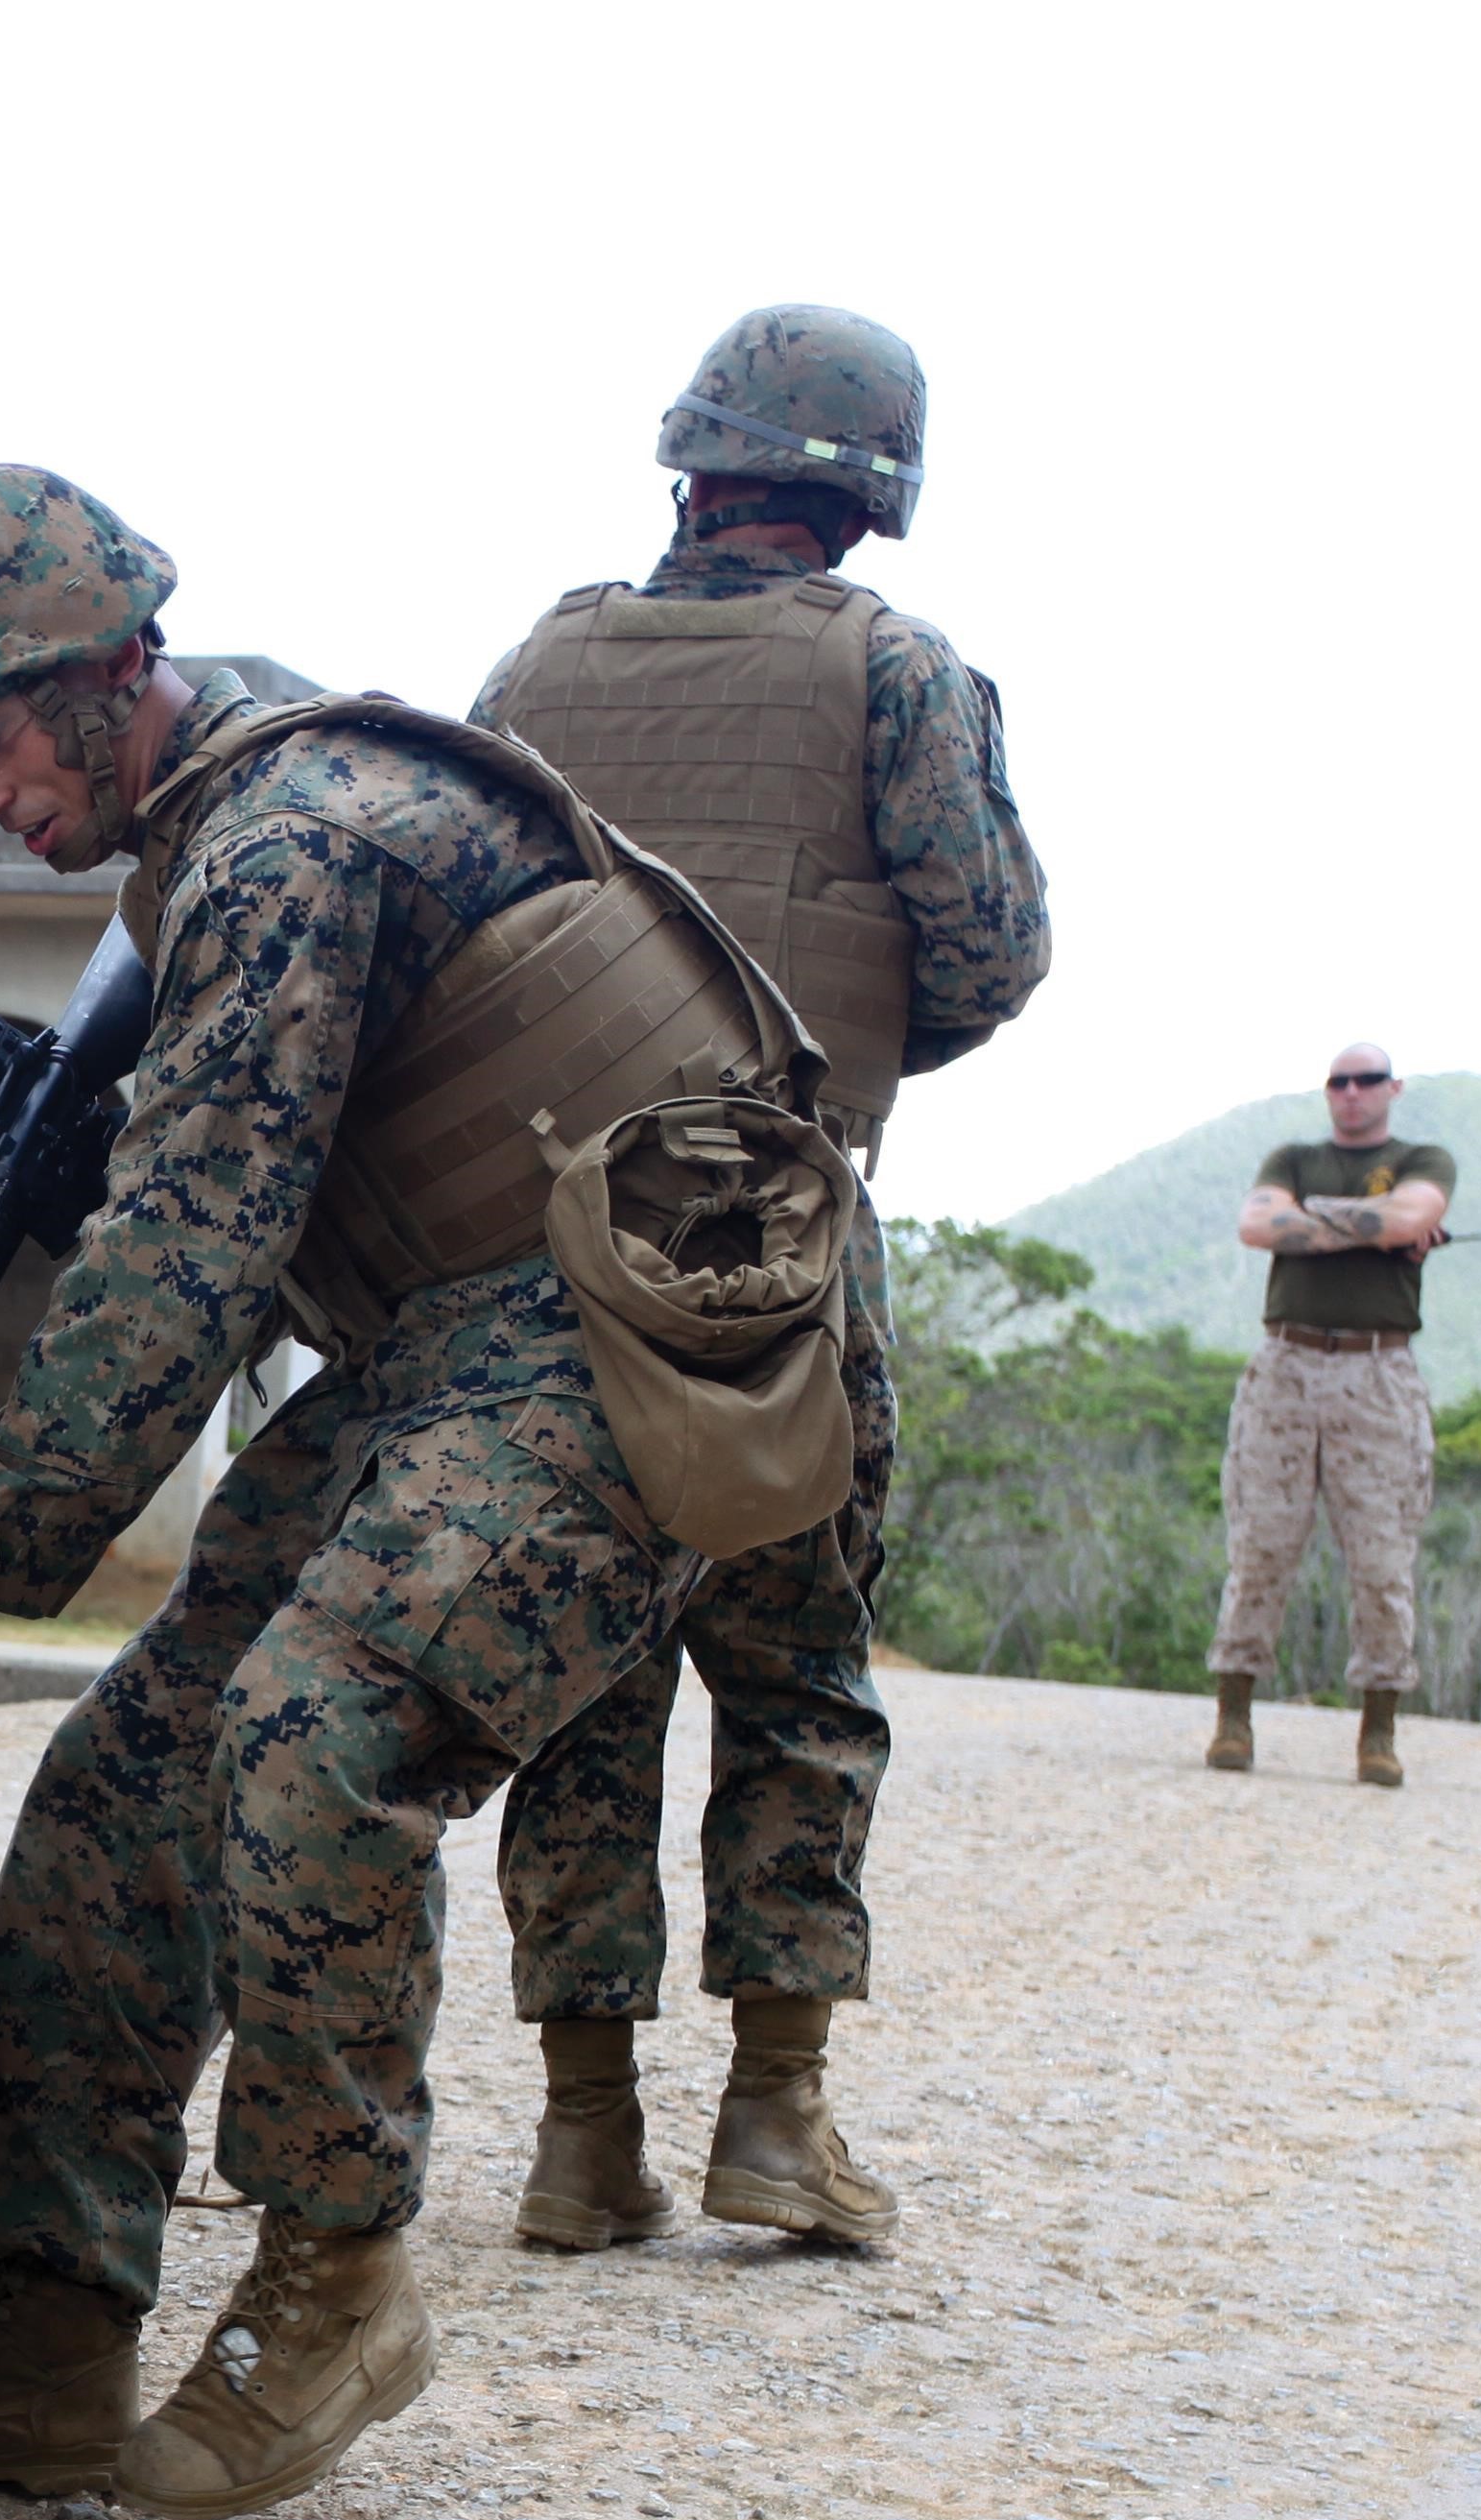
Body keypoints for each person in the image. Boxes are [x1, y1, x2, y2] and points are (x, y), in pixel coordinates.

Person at [0, 468, 832, 2520]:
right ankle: (51, 2317)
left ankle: (336, 2268)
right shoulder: (222, 842)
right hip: (457, 1334)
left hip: (629, 1326)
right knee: (129, 1767)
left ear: (104, 676)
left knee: (317, 1731)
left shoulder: (291, 847)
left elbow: (181, 1265)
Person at [472, 304, 1051, 2252]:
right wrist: (817, 1063)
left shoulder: (541, 661)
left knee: (582, 1677)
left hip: (556, 1243)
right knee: (796, 1674)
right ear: (869, 490)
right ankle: (779, 2123)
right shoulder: (898, 671)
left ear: (694, 462)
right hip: (786, 1239)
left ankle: (579, 2142)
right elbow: (989, 948)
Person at [1207, 1044, 1453, 1787]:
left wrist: (1316, 1221)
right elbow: (1258, 1226)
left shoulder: (1424, 1156)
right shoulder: (1293, 1156)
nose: (1351, 1092)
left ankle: (1378, 1731)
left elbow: (1414, 1210)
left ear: (1393, 1088)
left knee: (1383, 1559)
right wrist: (1374, 1229)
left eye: (1366, 1080)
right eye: (1339, 1081)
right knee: (1260, 1548)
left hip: (1379, 1373)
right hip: (1285, 1365)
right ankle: (1233, 1718)